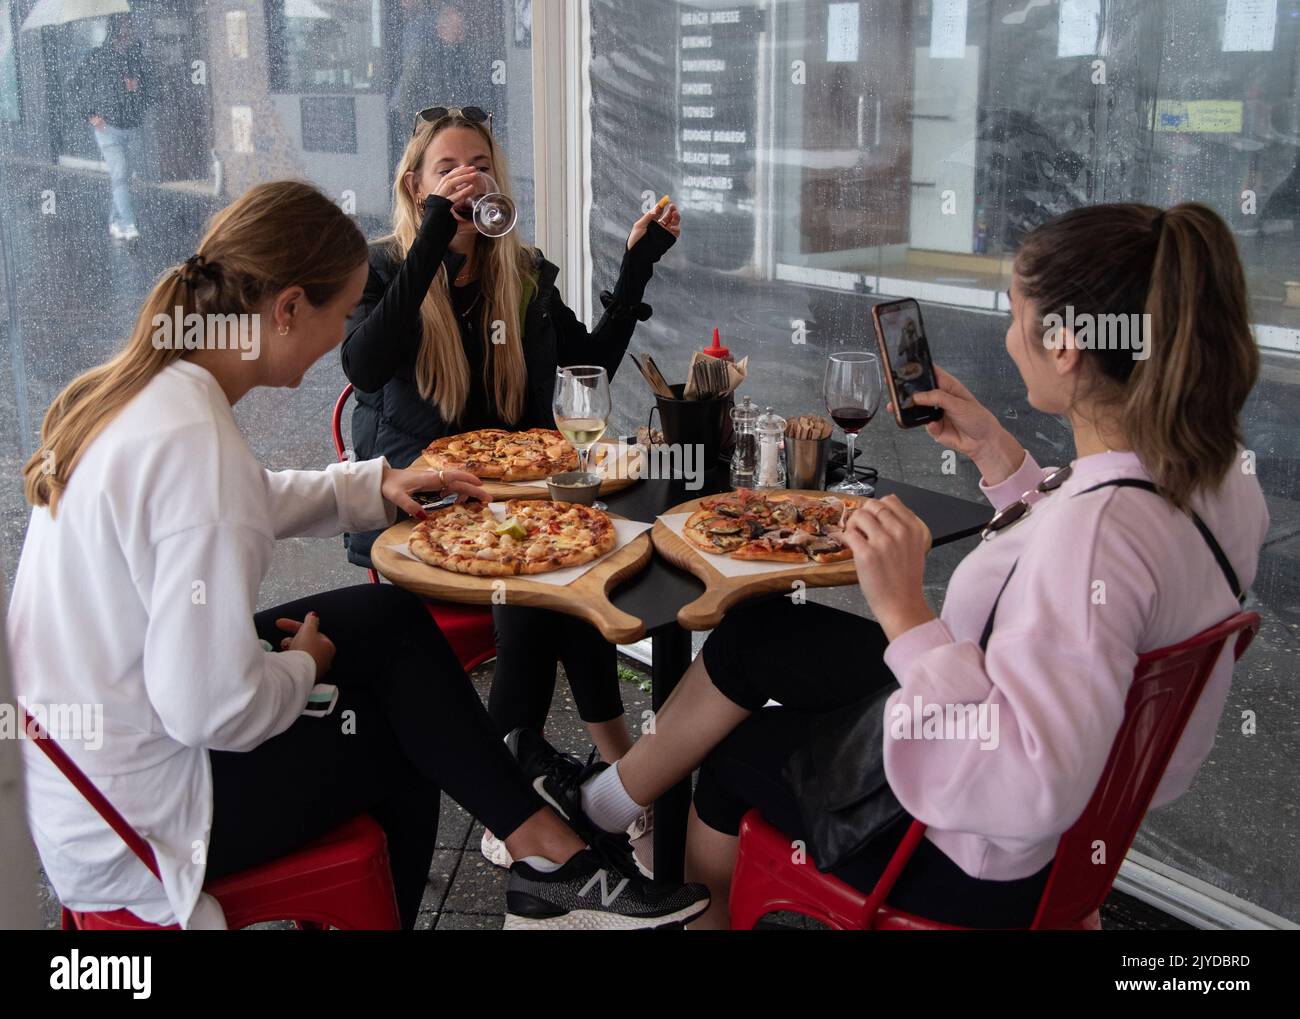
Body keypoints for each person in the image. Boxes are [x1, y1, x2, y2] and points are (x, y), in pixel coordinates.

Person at [505, 202, 1269, 928]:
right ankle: (605, 805)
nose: (1010, 337)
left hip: (972, 850)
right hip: (1044, 771)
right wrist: (999, 457)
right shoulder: (1216, 479)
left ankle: (671, 890)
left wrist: (906, 612)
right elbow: (1097, 572)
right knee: (763, 631)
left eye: (1016, 314)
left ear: (1065, 345)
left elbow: (1026, 781)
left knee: (737, 758)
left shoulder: (1091, 538)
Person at [7, 180, 708, 931]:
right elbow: (215, 706)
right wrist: (303, 664)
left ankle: (549, 862)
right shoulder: (197, 453)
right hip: (143, 820)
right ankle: (546, 860)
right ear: (286, 310)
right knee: (399, 738)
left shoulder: (158, 397)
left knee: (387, 615)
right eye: (339, 316)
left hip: (95, 766)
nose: (337, 341)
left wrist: (380, 483)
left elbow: (248, 499)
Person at [340, 107, 680, 872]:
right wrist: (435, 234)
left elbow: (585, 366)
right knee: (536, 587)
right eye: (448, 169)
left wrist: (637, 266)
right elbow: (364, 364)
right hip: (424, 515)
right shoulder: (384, 268)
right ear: (416, 187)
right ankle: (560, 795)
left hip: (520, 512)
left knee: (560, 571)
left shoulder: (519, 272)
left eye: (480, 166)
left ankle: (597, 791)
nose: (469, 178)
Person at [74, 14, 150, 241]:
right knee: (119, 175)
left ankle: (114, 220)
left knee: (124, 175)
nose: (130, 31)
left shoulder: (136, 56)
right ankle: (128, 225)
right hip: (108, 129)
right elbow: (75, 87)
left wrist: (138, 87)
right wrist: (90, 116)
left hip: (132, 126)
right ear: (115, 29)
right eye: (126, 27)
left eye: (131, 26)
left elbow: (150, 90)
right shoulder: (97, 57)